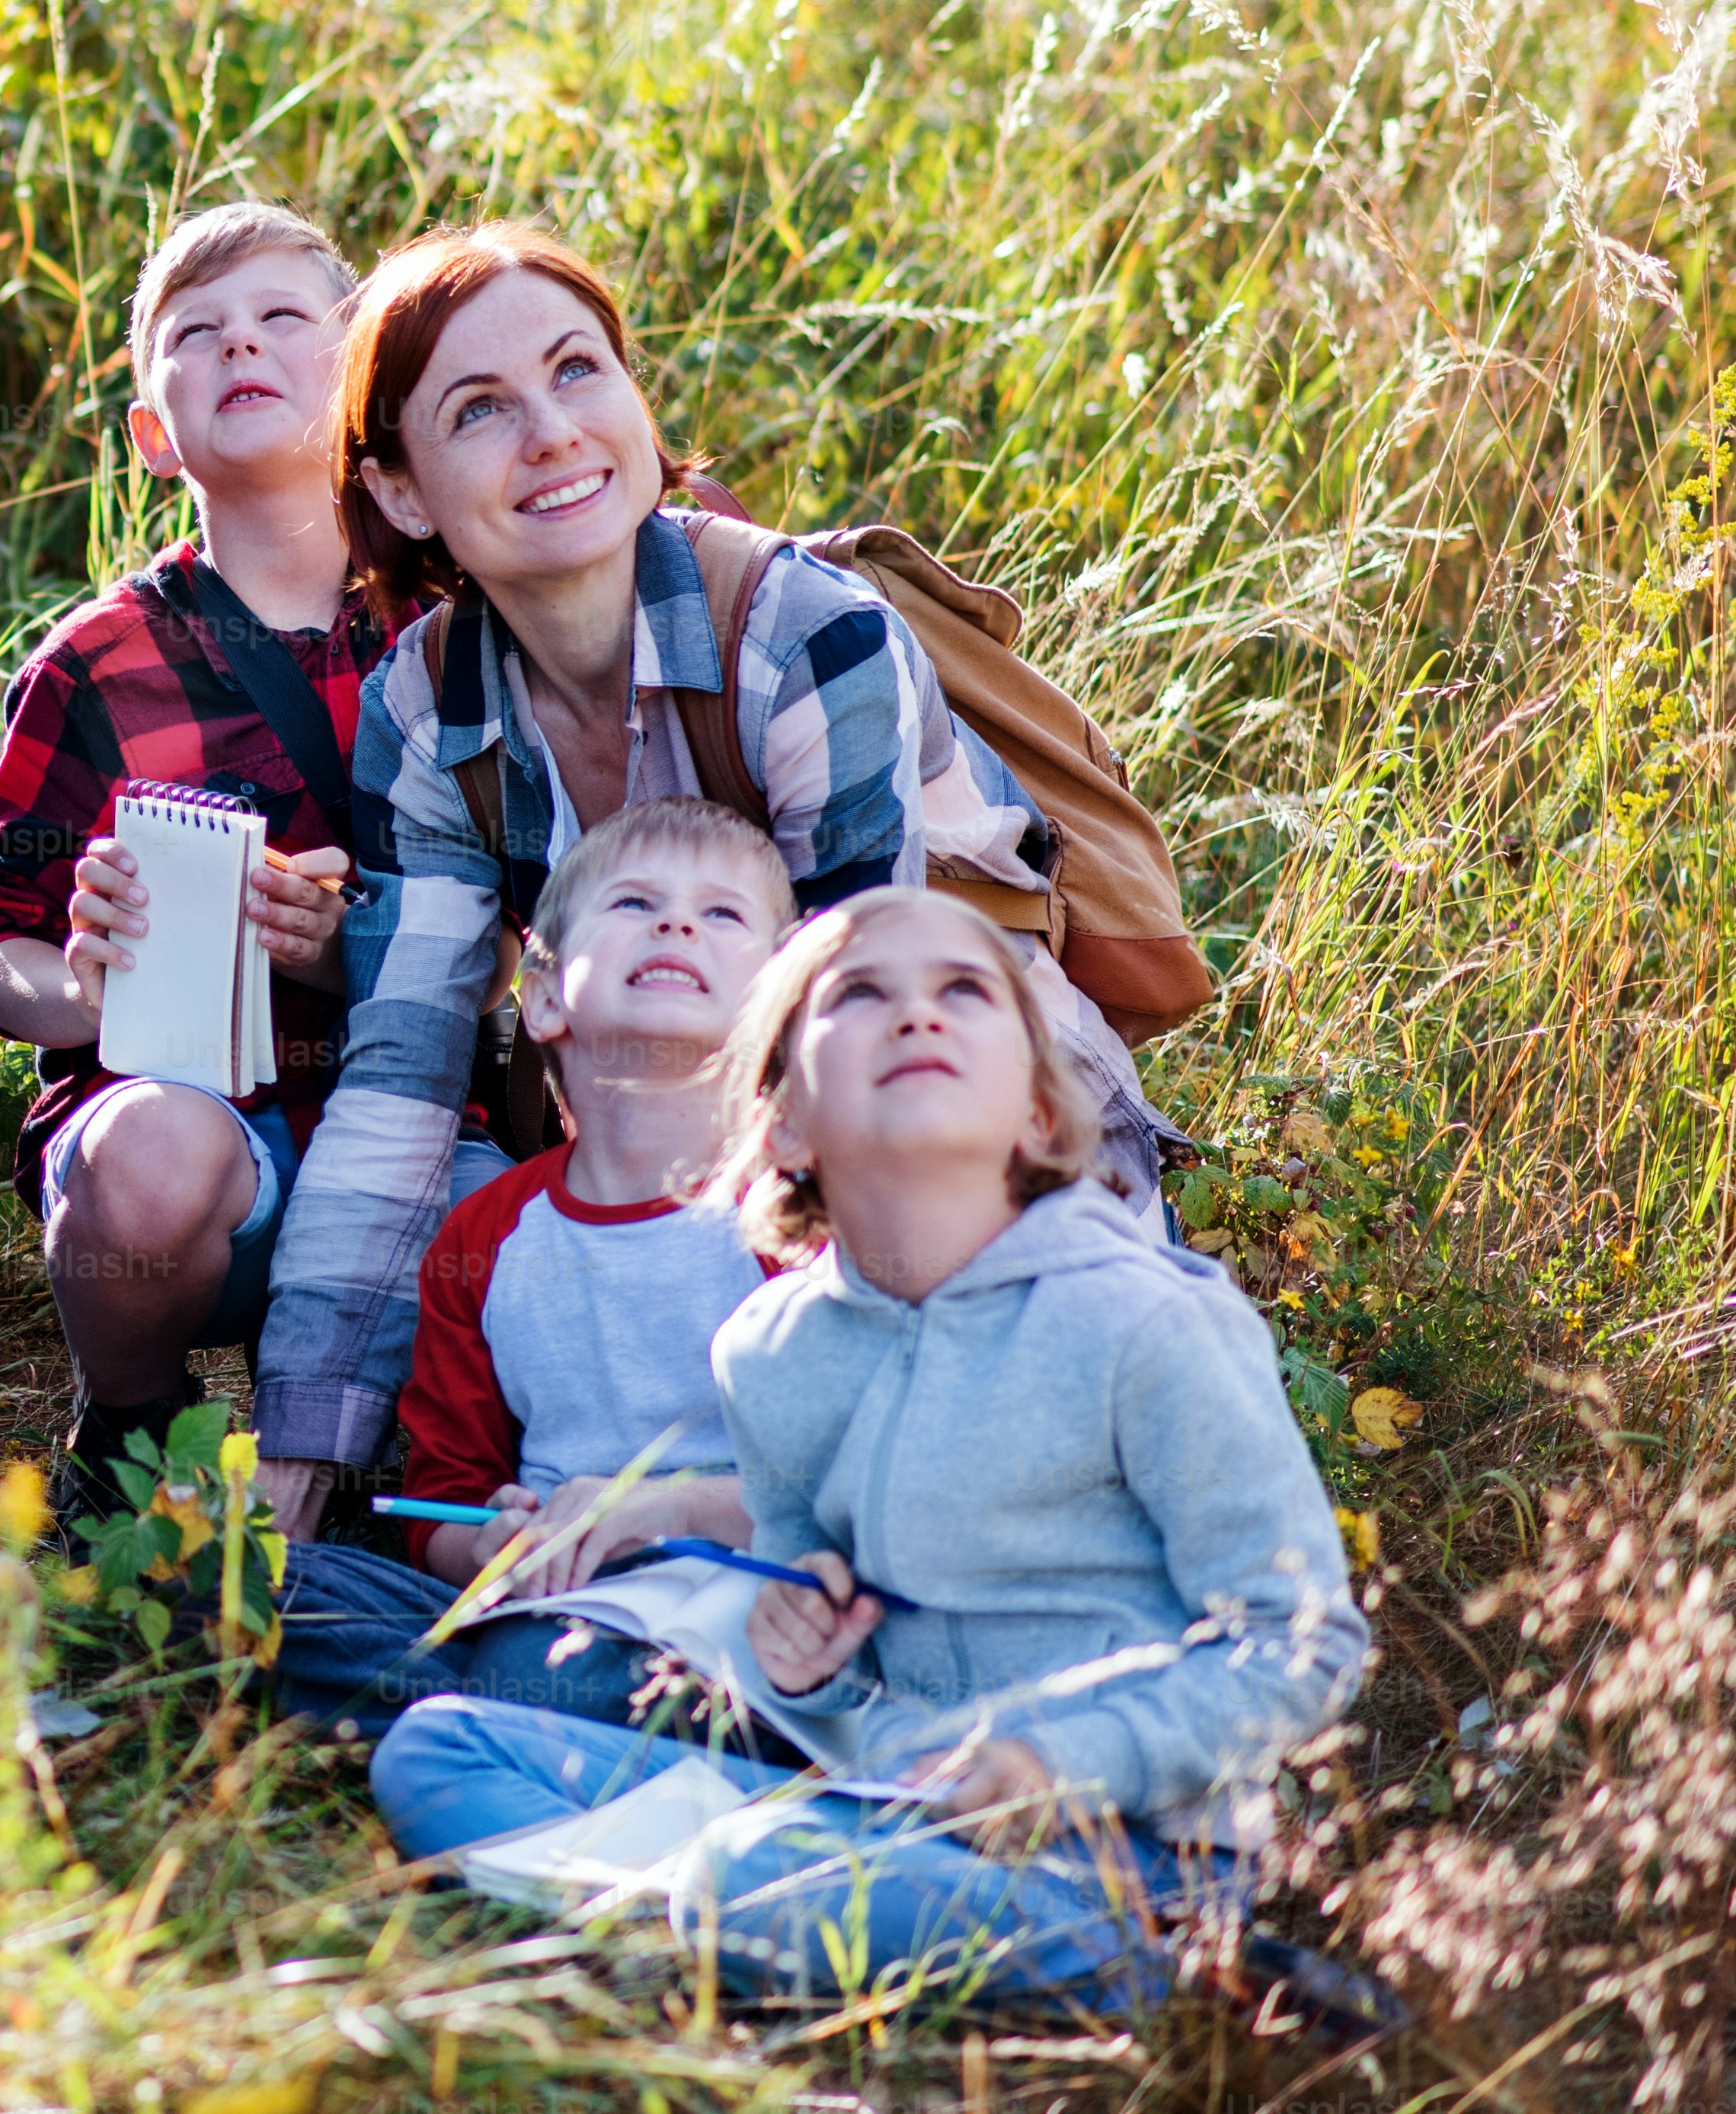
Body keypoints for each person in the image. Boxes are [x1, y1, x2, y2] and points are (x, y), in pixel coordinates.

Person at [253, 221, 1172, 1540]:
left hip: (951, 1052)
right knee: (482, 1246)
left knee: (1011, 1420)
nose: (553, 433)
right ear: (399, 491)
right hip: (659, 1088)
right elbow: (398, 1078)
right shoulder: (420, 705)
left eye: (579, 372)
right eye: (478, 410)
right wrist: (301, 1453)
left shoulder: (810, 633)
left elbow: (862, 1023)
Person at [369, 888, 1368, 2013]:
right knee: (435, 1750)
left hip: (1123, 1850)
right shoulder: (772, 1352)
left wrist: (1055, 1766)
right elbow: (832, 1676)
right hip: (874, 1808)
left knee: (739, 1866)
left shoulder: (1144, 1322)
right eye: (859, 994)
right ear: (787, 1120)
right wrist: (804, 1663)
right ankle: (730, 1936)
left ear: (1040, 1113)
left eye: (963, 991)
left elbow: (1302, 1643)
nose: (917, 1015)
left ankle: (1173, 1976)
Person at [0, 202, 375, 1522]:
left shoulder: (452, 625)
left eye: (279, 321)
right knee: (150, 1153)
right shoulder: (91, 663)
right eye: (196, 335)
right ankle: (131, 1433)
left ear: (359, 372)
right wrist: (87, 989)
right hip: (198, 1144)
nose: (239, 346)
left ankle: (360, 1472)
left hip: (420, 1131)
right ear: (153, 432)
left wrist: (345, 943)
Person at [272, 798, 794, 1735]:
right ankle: (522, 1715)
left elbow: (862, 1492)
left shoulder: (800, 1213)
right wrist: (489, 1545)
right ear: (546, 997)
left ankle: (515, 1714)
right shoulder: (486, 1234)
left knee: (541, 1663)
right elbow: (440, 1500)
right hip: (543, 1597)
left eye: (723, 915)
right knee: (248, 1586)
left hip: (744, 1604)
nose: (677, 922)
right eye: (634, 903)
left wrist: (643, 1512)